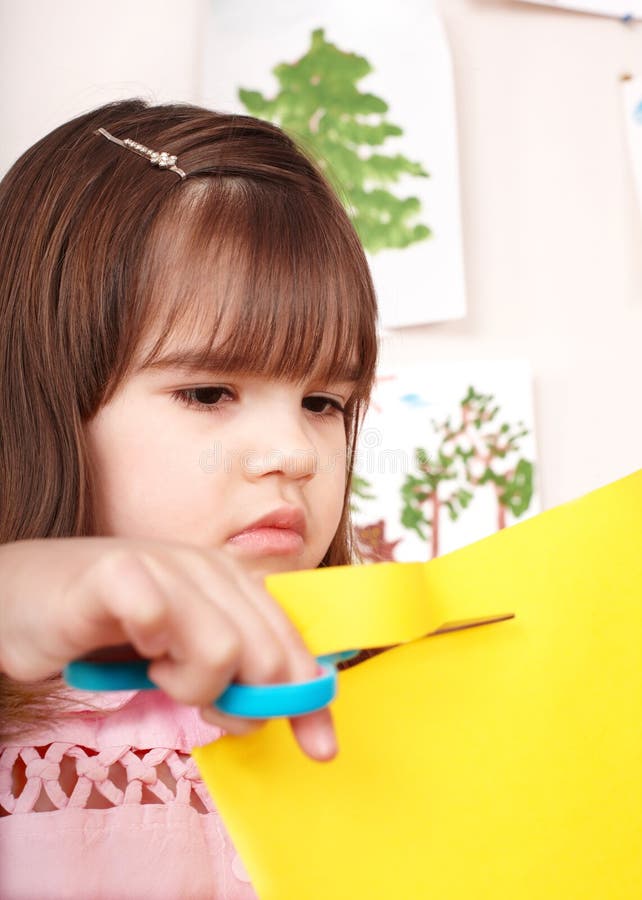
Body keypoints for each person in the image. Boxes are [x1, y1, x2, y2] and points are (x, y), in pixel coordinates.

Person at [0, 98, 378, 898]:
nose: (294, 454)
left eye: (324, 402)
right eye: (208, 392)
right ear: (38, 403)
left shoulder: (387, 689)